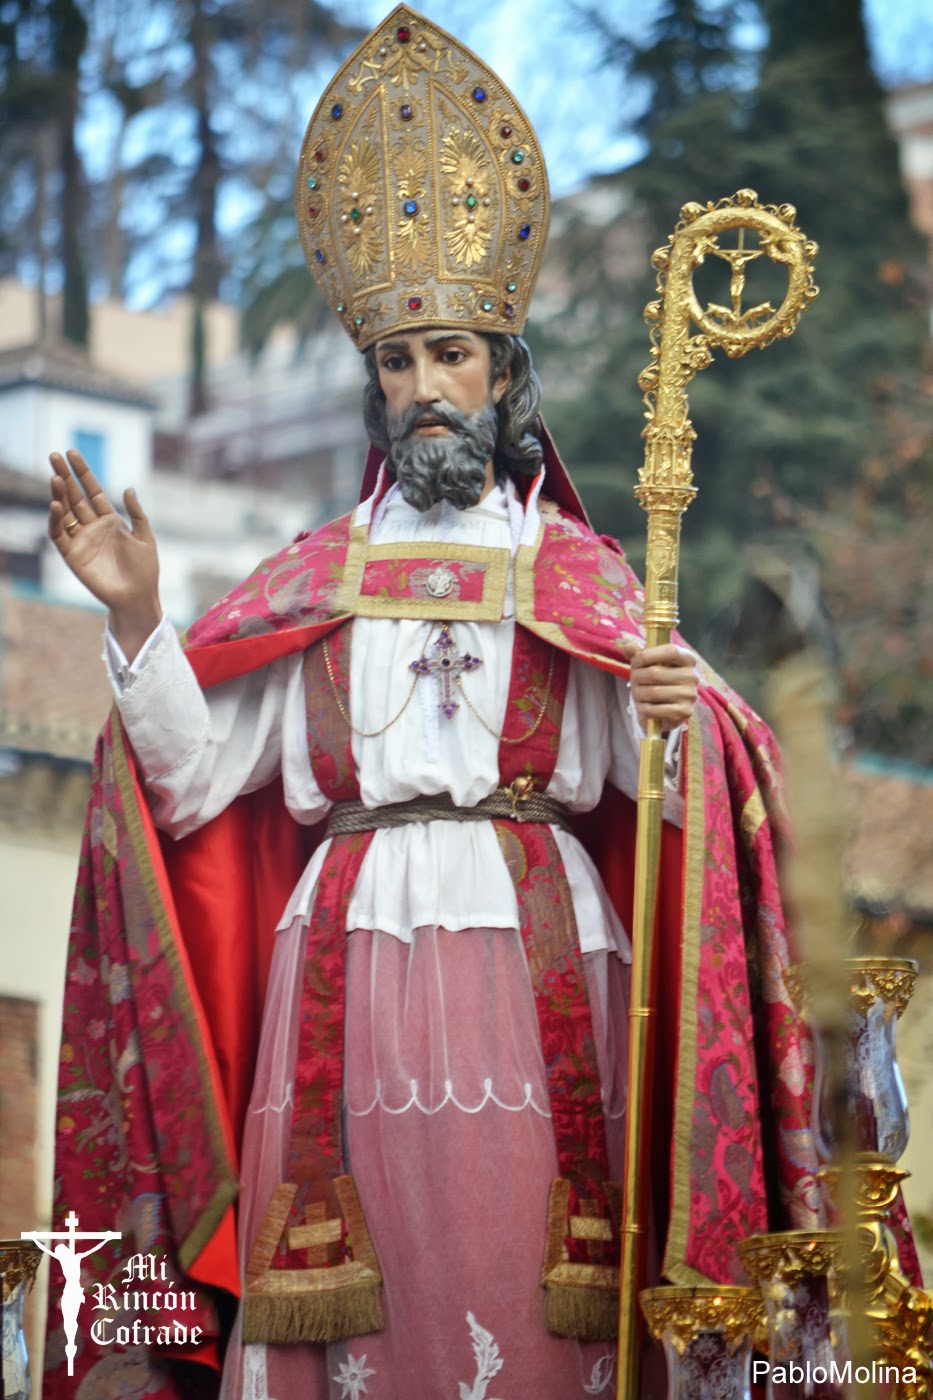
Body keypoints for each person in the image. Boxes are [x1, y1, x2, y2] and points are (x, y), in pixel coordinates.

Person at [43, 10, 819, 1400]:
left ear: (503, 376)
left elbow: (683, 794)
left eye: (451, 357)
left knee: (522, 1272)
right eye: (399, 367)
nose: (424, 391)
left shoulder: (573, 575)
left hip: (538, 959)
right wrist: (136, 617)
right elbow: (191, 782)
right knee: (360, 1291)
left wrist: (678, 716)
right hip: (340, 948)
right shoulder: (314, 576)